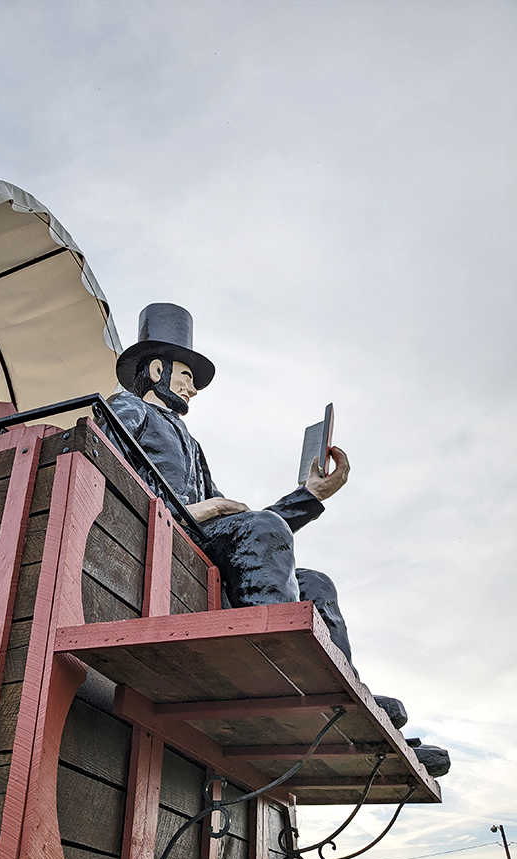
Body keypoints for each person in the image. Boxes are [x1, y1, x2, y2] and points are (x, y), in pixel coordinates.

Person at [98, 303, 449, 776]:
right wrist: (201, 510)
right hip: (158, 537)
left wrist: (309, 495)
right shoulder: (127, 408)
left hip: (195, 543)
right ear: (157, 370)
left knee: (316, 583)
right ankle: (279, 668)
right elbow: (108, 467)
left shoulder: (193, 446)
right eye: (186, 375)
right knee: (261, 526)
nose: (193, 388)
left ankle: (347, 694)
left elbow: (252, 534)